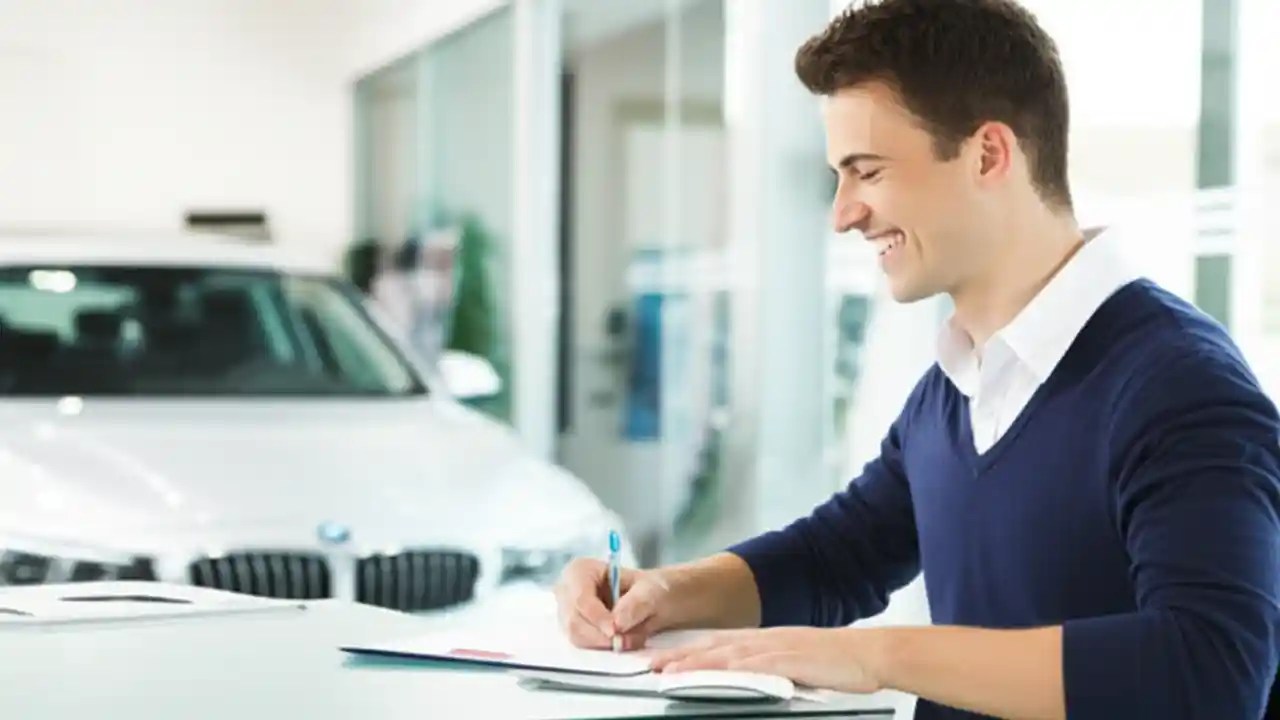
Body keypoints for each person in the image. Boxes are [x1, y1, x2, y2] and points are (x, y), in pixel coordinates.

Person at [553, 1, 1280, 718]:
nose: (843, 212)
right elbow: (842, 554)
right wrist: (662, 593)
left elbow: (1211, 670)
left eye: (866, 171)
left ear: (988, 154)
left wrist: (877, 658)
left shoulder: (1178, 386)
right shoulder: (955, 388)